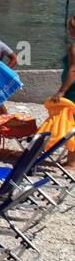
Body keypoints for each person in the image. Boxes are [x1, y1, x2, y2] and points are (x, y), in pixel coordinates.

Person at [53, 18, 75, 167]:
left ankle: (72, 161)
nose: (69, 30)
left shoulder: (74, 46)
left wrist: (61, 91)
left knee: (72, 124)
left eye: (70, 27)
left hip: (73, 90)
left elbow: (73, 70)